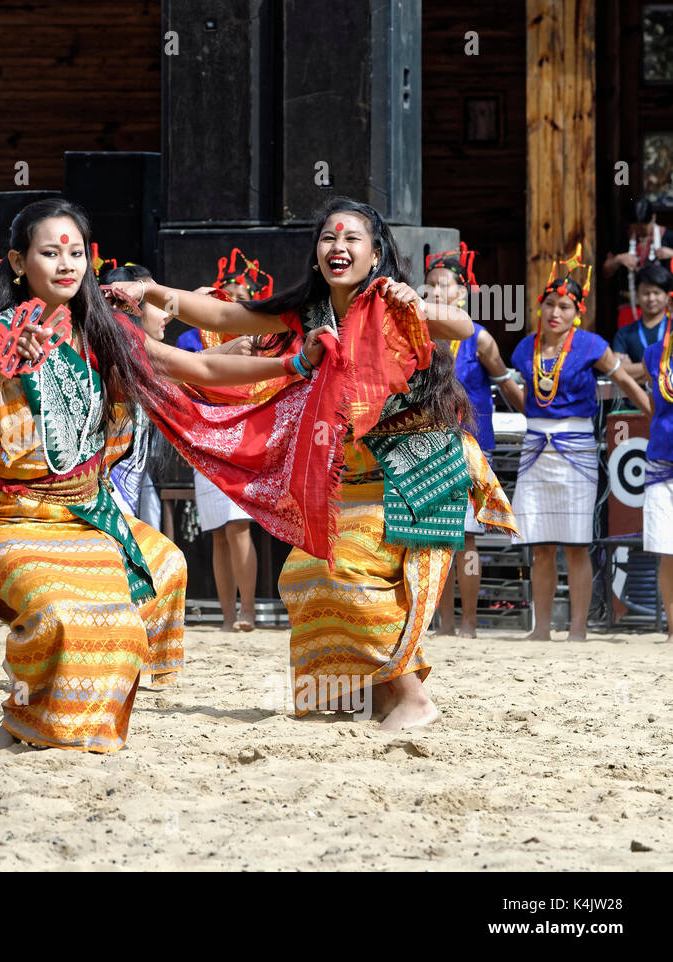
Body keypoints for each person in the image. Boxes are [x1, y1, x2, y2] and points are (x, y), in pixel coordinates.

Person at [115, 197, 518, 731]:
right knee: (306, 571)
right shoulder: (307, 312)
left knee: (345, 571)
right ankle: (379, 698)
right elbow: (220, 314)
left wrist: (416, 303)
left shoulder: (393, 302)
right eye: (329, 238)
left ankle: (413, 696)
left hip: (419, 469)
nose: (339, 247)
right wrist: (152, 291)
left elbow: (463, 326)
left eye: (352, 239)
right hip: (356, 475)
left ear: (375, 254)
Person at [0, 198, 334, 753]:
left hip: (89, 514)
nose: (66, 264)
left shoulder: (104, 333)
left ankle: (56, 726)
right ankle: (23, 724)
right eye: (49, 252)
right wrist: (12, 357)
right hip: (19, 517)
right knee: (64, 613)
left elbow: (199, 367)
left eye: (76, 252)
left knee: (162, 571)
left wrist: (291, 366)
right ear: (17, 261)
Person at [509, 244, 653, 641]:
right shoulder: (525, 349)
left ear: (578, 313)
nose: (556, 313)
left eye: (565, 307)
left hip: (575, 449)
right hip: (535, 447)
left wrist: (654, 416)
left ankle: (577, 629)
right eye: (550, 304)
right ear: (540, 306)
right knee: (539, 545)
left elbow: (624, 380)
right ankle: (540, 629)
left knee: (575, 544)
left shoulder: (591, 345)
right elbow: (523, 397)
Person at [423, 244, 526, 637]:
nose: (433, 291)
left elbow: (505, 383)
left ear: (460, 293)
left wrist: (533, 412)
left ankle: (468, 623)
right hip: (428, 444)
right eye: (428, 284)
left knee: (465, 537)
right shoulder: (417, 335)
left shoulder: (479, 339)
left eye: (442, 284)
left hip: (468, 447)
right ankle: (443, 624)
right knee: (435, 538)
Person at [173, 249, 277, 631]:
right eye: (225, 292)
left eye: (239, 292)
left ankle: (247, 612)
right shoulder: (190, 336)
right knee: (217, 531)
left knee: (238, 526)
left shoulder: (262, 334)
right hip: (204, 435)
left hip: (244, 436)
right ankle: (228, 615)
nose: (231, 297)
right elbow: (183, 382)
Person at [101, 262, 166, 530]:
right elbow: (198, 367)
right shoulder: (119, 360)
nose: (167, 313)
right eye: (153, 300)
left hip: (131, 482)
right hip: (107, 484)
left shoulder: (137, 348)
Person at [642, 318, 673, 644]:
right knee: (667, 550)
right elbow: (653, 404)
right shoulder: (654, 354)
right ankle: (672, 630)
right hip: (661, 459)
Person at [602, 199, 672, 329]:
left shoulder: (668, 237)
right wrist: (618, 259)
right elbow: (606, 271)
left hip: (662, 306)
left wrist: (671, 253)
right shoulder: (625, 239)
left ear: (654, 218)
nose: (640, 230)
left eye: (644, 226)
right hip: (630, 305)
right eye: (636, 226)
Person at [610, 262, 672, 389]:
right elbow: (615, 371)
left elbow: (624, 371)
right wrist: (663, 367)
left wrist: (633, 370)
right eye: (645, 293)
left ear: (667, 297)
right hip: (633, 404)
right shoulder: (624, 333)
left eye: (656, 292)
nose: (651, 298)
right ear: (637, 296)